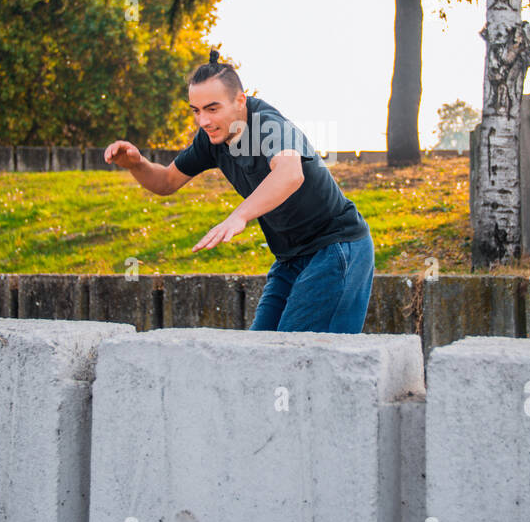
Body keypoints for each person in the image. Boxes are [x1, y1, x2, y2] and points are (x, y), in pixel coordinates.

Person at [103, 50, 375, 333]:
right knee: (255, 352)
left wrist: (239, 216)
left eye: (212, 108)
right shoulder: (212, 139)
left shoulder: (269, 125)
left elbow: (290, 173)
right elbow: (167, 181)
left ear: (239, 101)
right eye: (196, 111)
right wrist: (135, 163)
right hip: (290, 258)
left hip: (336, 248)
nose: (203, 121)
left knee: (292, 355)